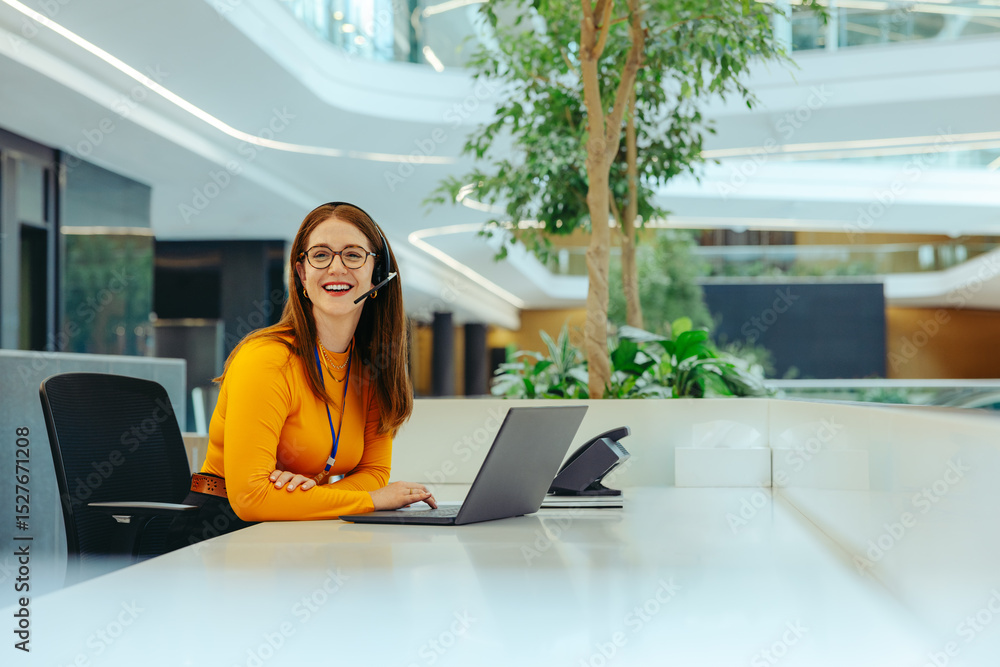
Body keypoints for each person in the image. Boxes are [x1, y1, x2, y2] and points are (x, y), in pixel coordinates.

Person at [168, 202, 435, 549]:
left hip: (291, 529)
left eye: (353, 255)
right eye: (321, 255)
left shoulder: (371, 367)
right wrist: (372, 501)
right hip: (220, 533)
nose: (336, 268)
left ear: (377, 272)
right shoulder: (267, 359)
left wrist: (309, 496)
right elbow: (250, 498)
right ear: (301, 273)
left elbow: (374, 474)